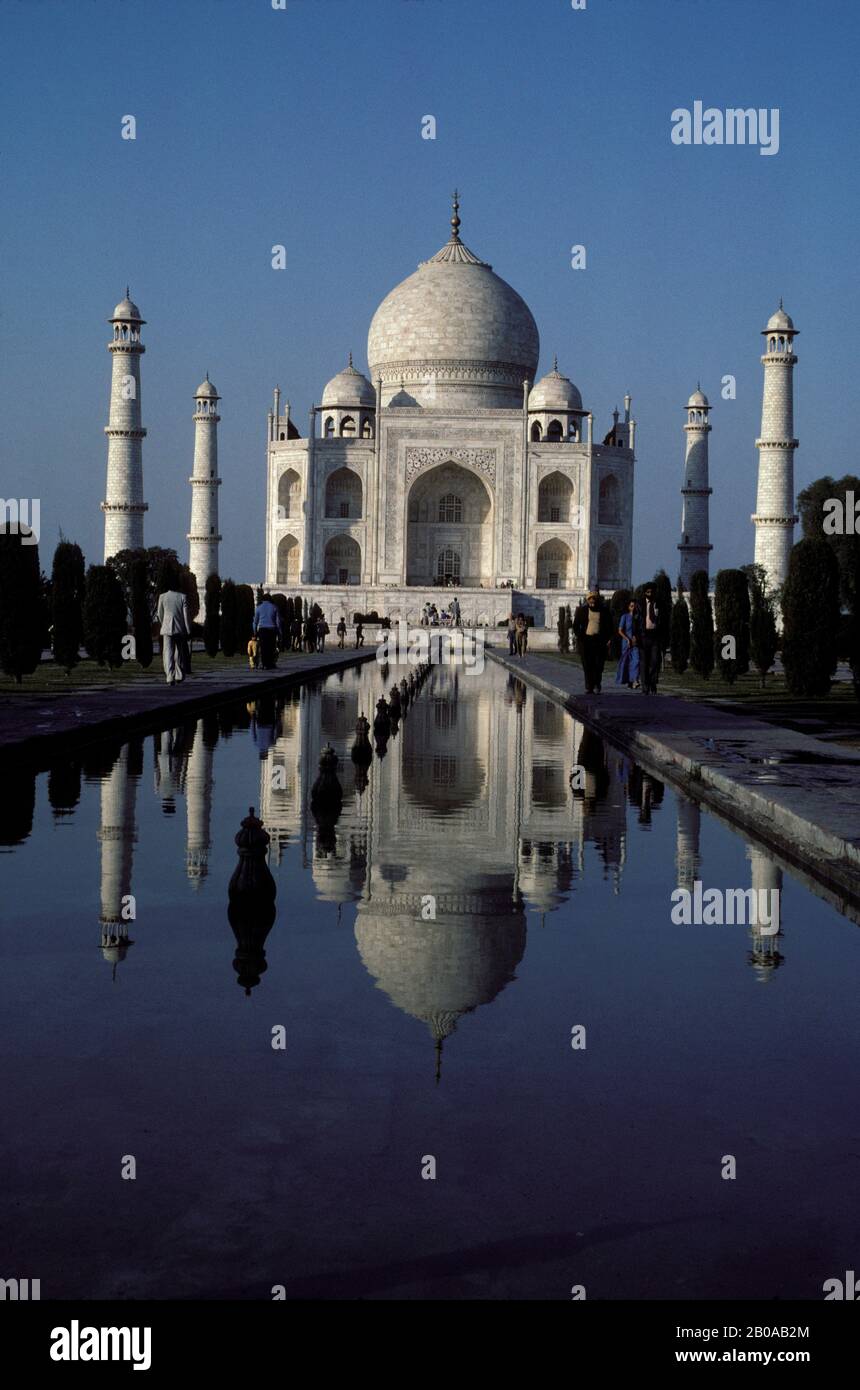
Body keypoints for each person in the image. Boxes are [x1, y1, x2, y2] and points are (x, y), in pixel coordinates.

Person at [572, 590, 613, 694]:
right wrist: (580, 637)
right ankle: (589, 686)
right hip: (586, 641)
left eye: (594, 599)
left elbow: (609, 626)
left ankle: (597, 683)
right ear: (588, 600)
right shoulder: (582, 611)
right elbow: (576, 625)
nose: (592, 601)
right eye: (590, 599)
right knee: (587, 665)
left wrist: (608, 638)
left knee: (598, 665)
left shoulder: (604, 611)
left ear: (597, 600)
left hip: (599, 641)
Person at [157, 574, 192, 686]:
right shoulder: (182, 597)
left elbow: (159, 613)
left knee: (167, 652)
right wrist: (188, 629)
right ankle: (179, 675)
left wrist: (164, 624)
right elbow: (185, 615)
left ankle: (169, 676)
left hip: (166, 628)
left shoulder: (162, 597)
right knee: (179, 653)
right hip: (179, 629)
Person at [253, 591, 283, 670]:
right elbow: (278, 622)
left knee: (263, 647)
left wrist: (255, 632)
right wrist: (280, 632)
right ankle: (270, 663)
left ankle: (264, 664)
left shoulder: (259, 608)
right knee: (271, 647)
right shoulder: (274, 607)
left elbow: (255, 622)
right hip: (272, 630)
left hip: (262, 630)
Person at [640, 584, 661, 694]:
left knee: (655, 662)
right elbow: (637, 621)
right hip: (644, 636)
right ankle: (645, 686)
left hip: (654, 636)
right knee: (644, 663)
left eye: (652, 592)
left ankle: (652, 683)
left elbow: (662, 619)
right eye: (648, 592)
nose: (650, 594)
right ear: (645, 593)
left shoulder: (658, 604)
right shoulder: (641, 605)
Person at [616, 600, 642, 689]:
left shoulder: (637, 617)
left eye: (634, 606)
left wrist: (636, 638)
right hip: (626, 642)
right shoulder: (625, 617)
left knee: (636, 661)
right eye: (631, 606)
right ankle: (629, 681)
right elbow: (620, 630)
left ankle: (635, 680)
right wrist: (627, 639)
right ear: (628, 607)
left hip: (635, 642)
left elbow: (640, 629)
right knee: (626, 662)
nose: (633, 607)